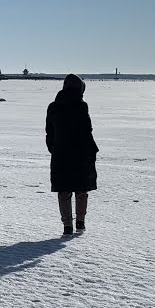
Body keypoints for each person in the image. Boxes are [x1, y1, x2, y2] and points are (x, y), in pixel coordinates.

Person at [46, 74, 98, 237]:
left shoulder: (53, 106)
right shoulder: (81, 106)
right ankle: (80, 222)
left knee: (64, 190)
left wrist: (54, 149)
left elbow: (49, 133)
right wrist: (91, 151)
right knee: (81, 189)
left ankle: (67, 225)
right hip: (81, 154)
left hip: (61, 153)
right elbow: (87, 131)